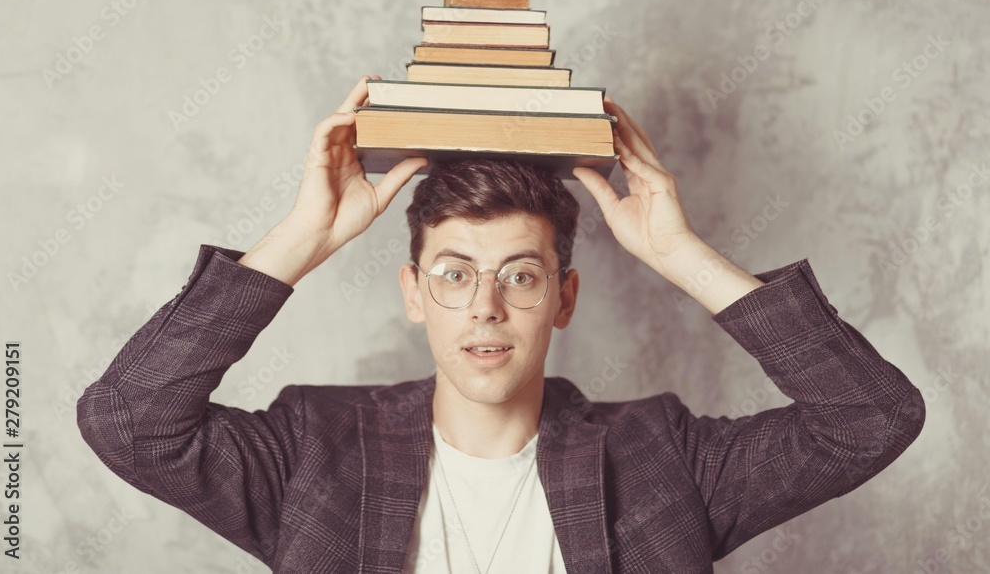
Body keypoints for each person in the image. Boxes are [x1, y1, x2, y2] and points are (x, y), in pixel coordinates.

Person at [77, 75, 925, 574]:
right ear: (414, 291)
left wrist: (680, 253)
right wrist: (302, 238)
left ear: (563, 297)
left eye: (520, 275)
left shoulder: (662, 457)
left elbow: (870, 419)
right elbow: (129, 419)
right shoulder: (314, 450)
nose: (485, 306)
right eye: (454, 274)